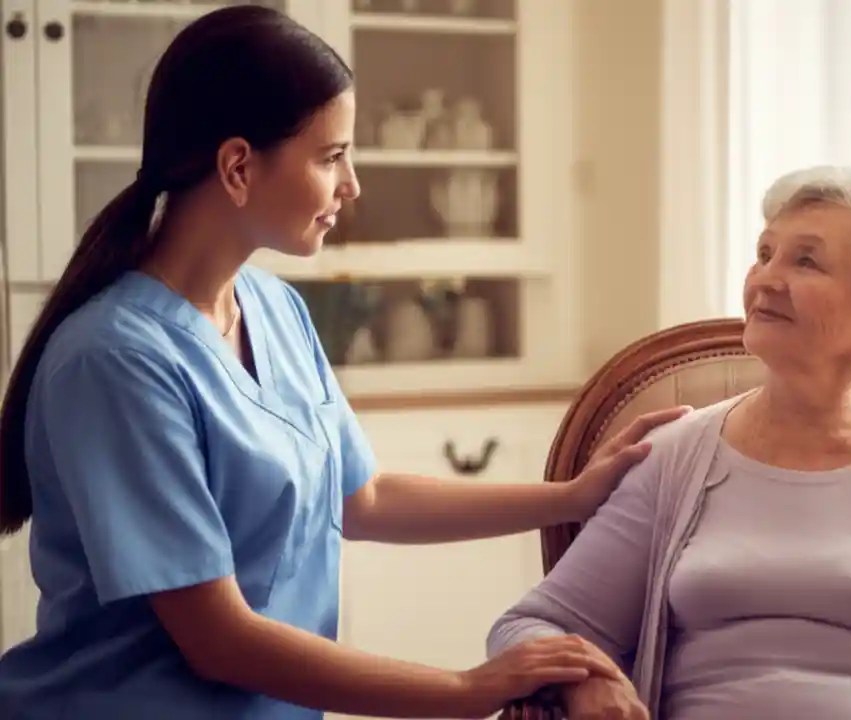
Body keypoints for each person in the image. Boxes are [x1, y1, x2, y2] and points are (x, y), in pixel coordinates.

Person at [0, 7, 686, 719]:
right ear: (238, 166)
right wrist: (465, 690)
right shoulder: (115, 361)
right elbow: (220, 641)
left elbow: (365, 498)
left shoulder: (275, 309)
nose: (352, 183)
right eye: (331, 157)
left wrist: (571, 495)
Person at [487, 166, 851, 720]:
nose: (765, 278)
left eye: (806, 261)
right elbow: (532, 623)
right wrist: (587, 677)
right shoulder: (675, 457)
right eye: (764, 253)